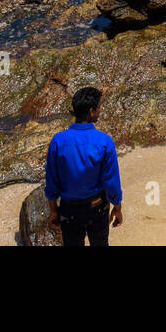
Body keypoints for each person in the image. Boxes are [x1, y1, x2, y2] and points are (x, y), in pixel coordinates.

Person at [44, 86, 123, 247]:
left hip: (69, 210)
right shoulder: (104, 141)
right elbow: (111, 180)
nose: (100, 110)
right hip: (97, 207)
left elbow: (51, 180)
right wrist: (117, 205)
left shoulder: (57, 141)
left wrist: (53, 210)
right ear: (91, 112)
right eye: (99, 107)